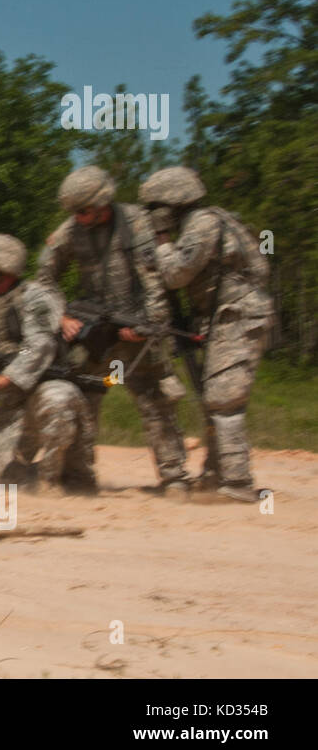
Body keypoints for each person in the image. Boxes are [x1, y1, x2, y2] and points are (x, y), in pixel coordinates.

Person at [37, 165, 191, 496]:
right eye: (74, 211)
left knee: (156, 400)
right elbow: (45, 277)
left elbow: (155, 283)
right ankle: (79, 477)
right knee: (82, 399)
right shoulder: (69, 231)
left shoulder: (137, 225)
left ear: (103, 202)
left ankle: (175, 477)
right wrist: (60, 316)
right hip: (93, 331)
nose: (77, 217)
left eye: (83, 210)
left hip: (135, 328)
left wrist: (149, 325)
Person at [139, 166, 273, 503]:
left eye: (155, 207)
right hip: (224, 317)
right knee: (213, 395)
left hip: (237, 315)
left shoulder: (203, 223)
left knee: (222, 397)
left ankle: (238, 482)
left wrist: (162, 244)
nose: (152, 215)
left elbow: (176, 275)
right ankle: (217, 473)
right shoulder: (209, 219)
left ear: (172, 203)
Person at [0, 235, 96, 492]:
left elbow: (38, 344)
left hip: (45, 388)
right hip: (14, 408)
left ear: (5, 265)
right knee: (0, 481)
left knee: (58, 399)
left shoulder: (36, 297)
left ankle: (51, 481)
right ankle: (39, 472)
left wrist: (5, 378)